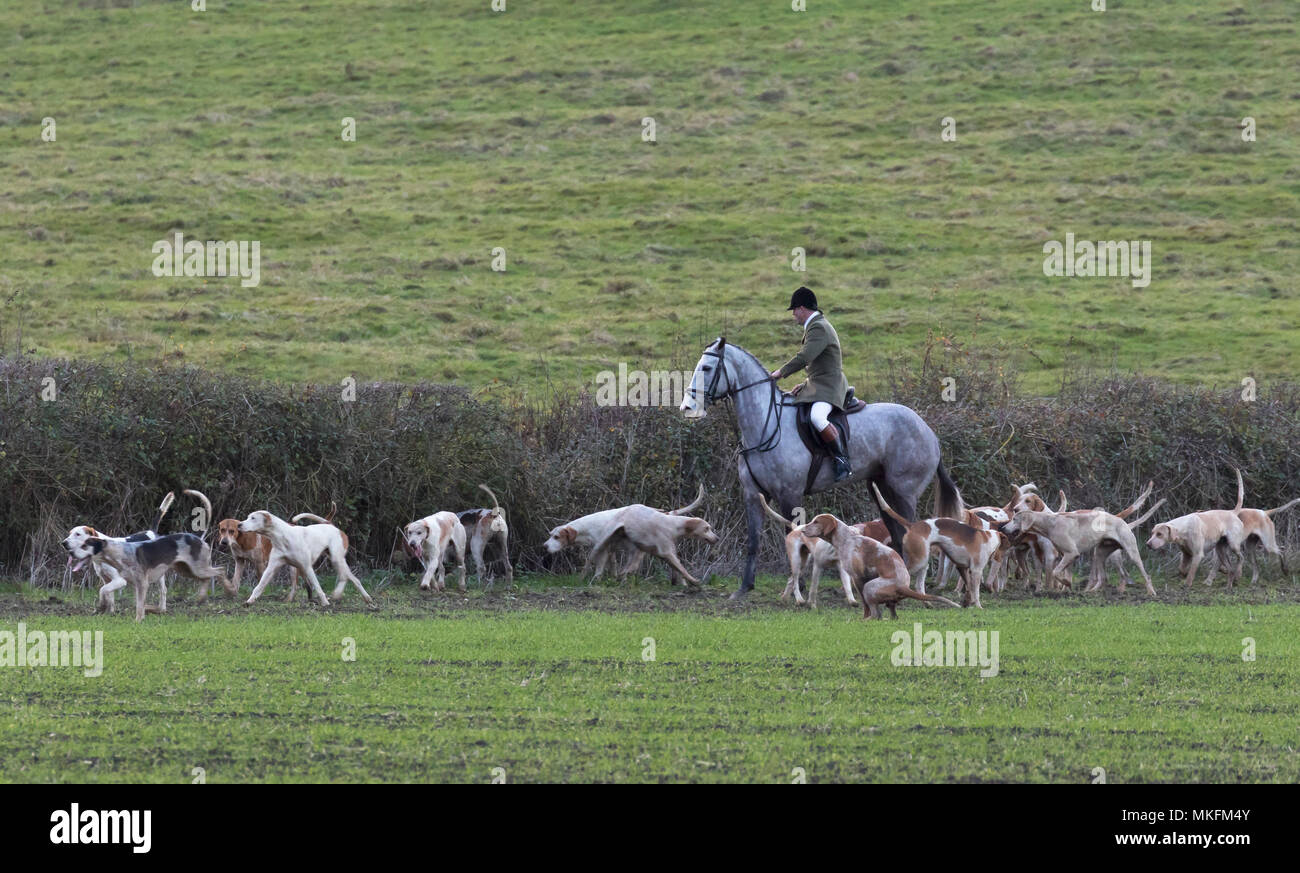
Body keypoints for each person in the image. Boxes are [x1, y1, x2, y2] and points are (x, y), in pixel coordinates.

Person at [768, 286, 851, 481]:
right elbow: (817, 365)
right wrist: (805, 384)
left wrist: (781, 373)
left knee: (817, 418)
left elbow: (805, 357)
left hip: (830, 386)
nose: (794, 315)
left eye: (794, 310)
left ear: (802, 308)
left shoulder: (819, 327)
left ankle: (842, 460)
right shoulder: (816, 326)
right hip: (818, 383)